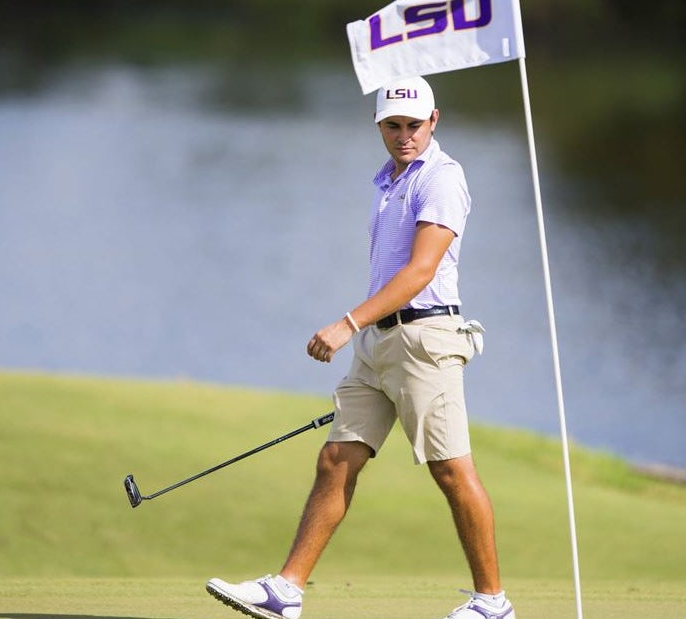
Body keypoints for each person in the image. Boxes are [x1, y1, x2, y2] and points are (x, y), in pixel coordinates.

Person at [205, 76, 514, 619]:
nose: (404, 136)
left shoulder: (442, 178)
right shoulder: (387, 179)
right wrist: (364, 330)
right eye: (392, 126)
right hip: (378, 342)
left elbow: (422, 270)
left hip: (425, 341)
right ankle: (287, 590)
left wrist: (348, 323)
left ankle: (493, 603)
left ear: (434, 120)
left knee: (450, 470)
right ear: (379, 126)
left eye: (414, 125)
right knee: (337, 459)